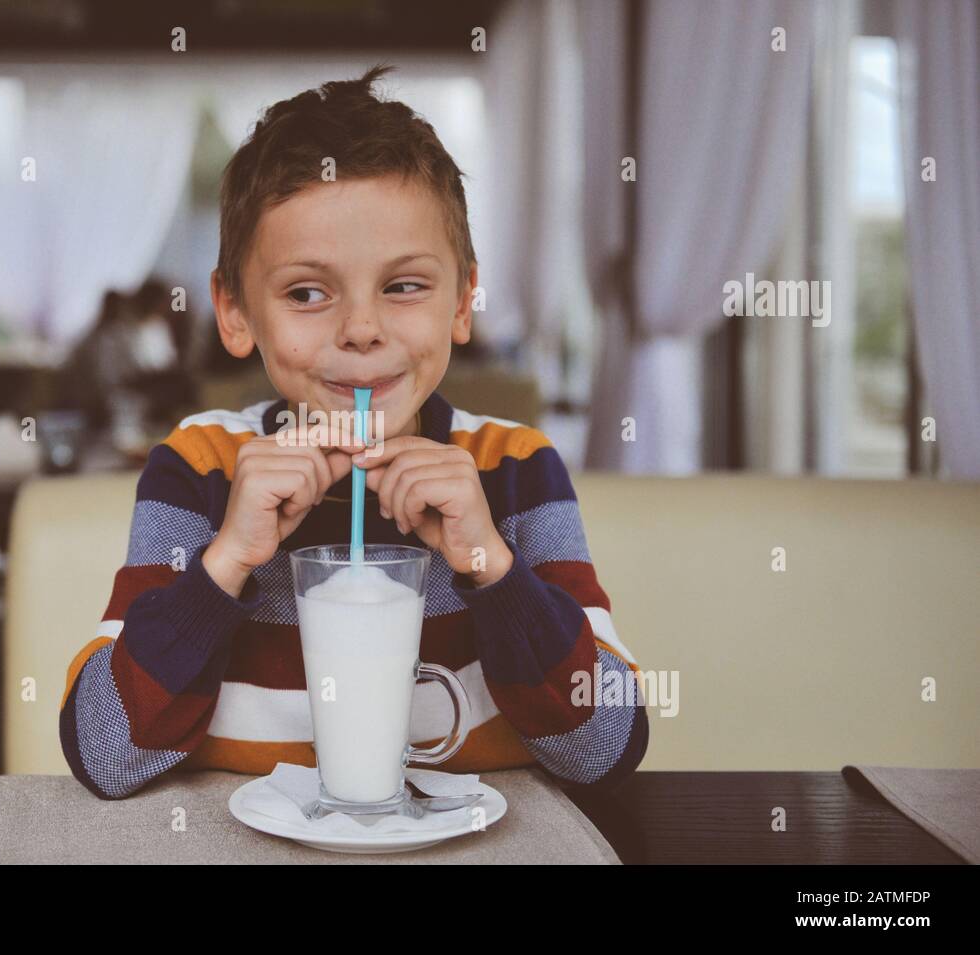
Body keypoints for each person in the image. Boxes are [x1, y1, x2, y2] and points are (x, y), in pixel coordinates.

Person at [60, 64, 647, 799]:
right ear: (236, 312)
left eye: (404, 286)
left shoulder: (517, 468)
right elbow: (107, 750)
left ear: (463, 301)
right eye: (308, 292)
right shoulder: (199, 467)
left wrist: (493, 567)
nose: (362, 329)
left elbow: (605, 745)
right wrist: (225, 562)